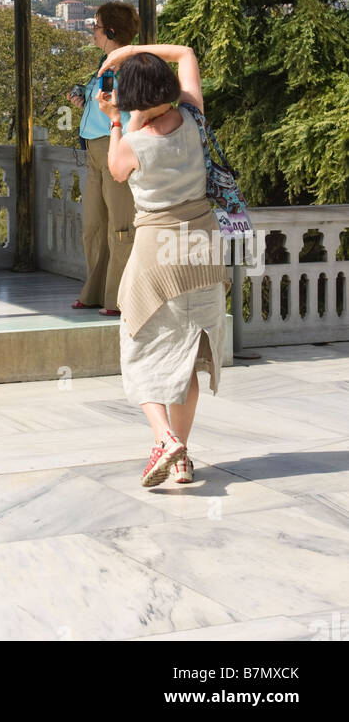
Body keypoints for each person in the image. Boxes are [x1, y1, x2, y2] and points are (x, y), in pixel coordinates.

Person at [96, 42, 230, 488]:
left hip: (158, 249)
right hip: (202, 245)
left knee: (138, 345)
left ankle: (164, 438)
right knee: (187, 356)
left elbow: (116, 170)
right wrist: (132, 50)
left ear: (129, 95)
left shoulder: (132, 144)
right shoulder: (193, 116)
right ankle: (181, 460)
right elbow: (188, 53)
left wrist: (116, 118)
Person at [69, 3, 139, 315]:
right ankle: (95, 291)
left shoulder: (129, 65)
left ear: (110, 32)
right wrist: (82, 100)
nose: (93, 32)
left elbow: (131, 107)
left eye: (96, 27)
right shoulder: (105, 64)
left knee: (120, 225)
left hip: (116, 147)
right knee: (94, 226)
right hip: (94, 149)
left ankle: (117, 298)